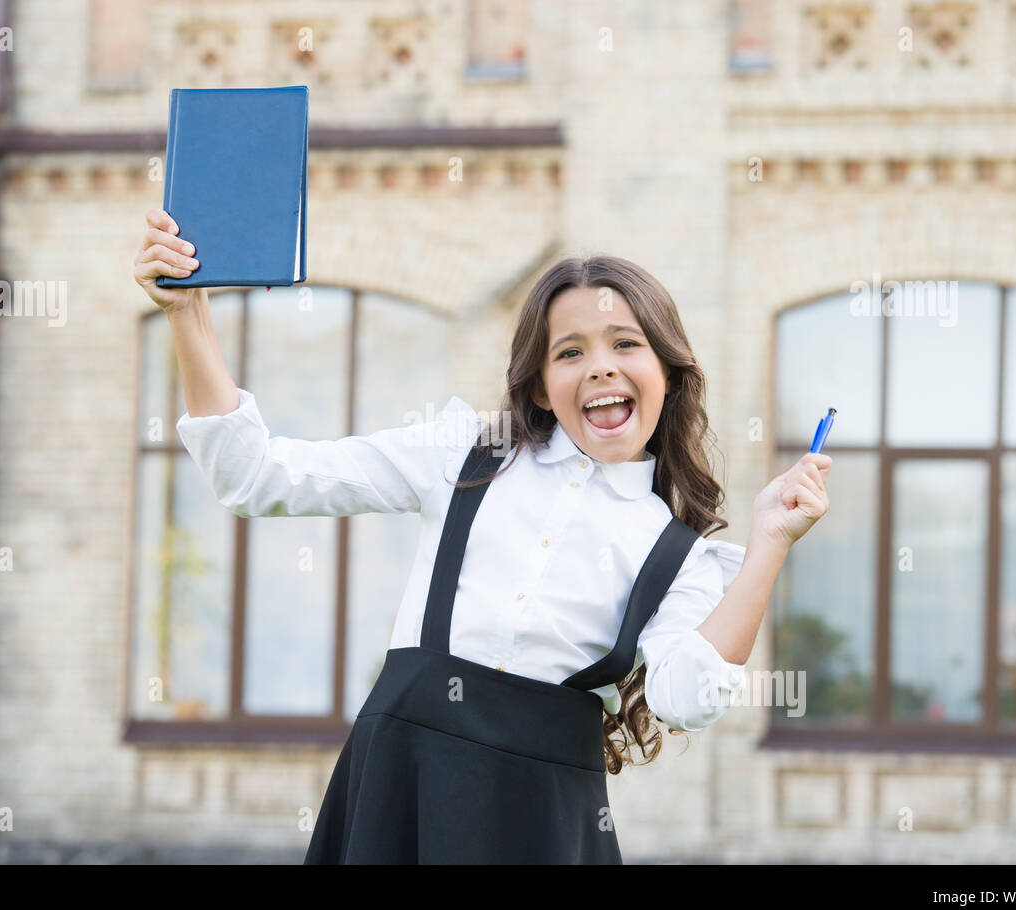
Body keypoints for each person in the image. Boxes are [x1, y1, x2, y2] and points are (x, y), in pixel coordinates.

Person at [133, 209, 832, 864]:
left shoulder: (681, 555)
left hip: (543, 820)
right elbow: (258, 476)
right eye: (570, 352)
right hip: (397, 790)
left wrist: (770, 542)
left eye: (627, 344)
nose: (601, 366)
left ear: (669, 374)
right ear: (537, 387)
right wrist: (187, 313)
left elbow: (689, 698)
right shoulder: (462, 452)